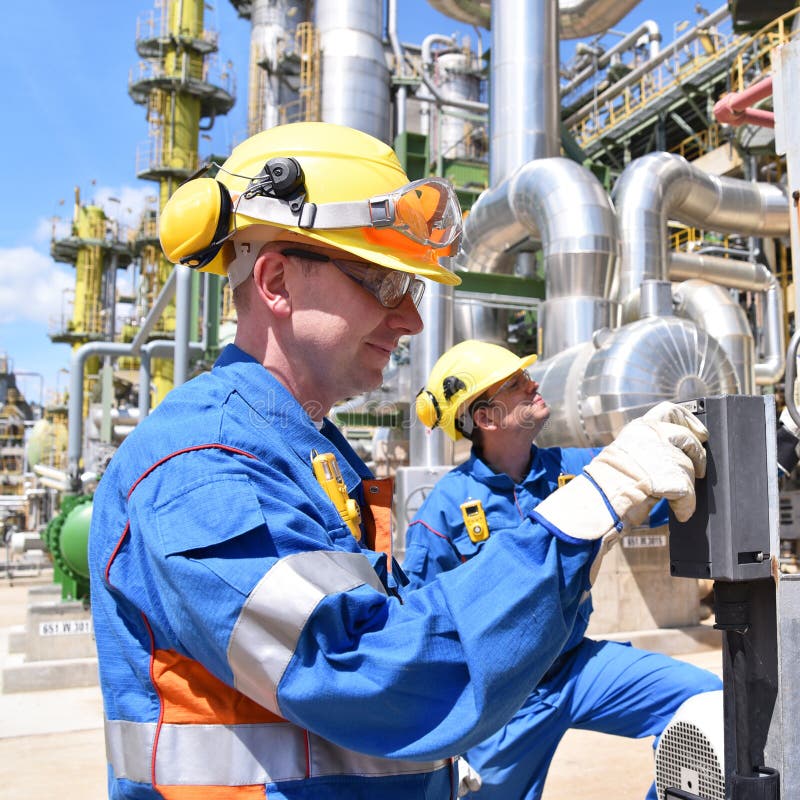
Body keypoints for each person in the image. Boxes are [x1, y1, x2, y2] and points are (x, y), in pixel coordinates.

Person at [88, 121, 709, 799]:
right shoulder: (202, 464)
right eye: (384, 284)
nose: (411, 320)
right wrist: (582, 514)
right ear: (274, 281)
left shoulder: (309, 454)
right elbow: (364, 671)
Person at [405, 340, 723, 800]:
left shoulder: (574, 469)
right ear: (486, 418)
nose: (533, 384)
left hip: (574, 667)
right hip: (502, 697)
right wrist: (446, 744)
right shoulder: (443, 511)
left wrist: (769, 449)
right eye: (515, 384)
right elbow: (423, 631)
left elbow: (661, 497)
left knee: (706, 703)